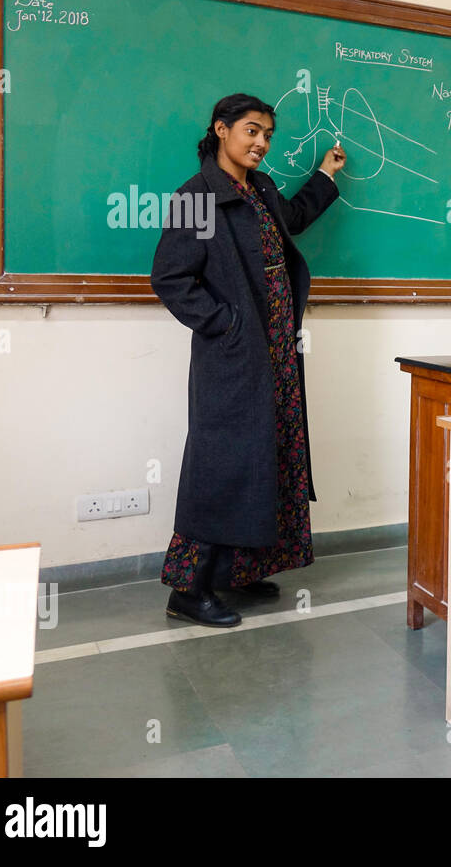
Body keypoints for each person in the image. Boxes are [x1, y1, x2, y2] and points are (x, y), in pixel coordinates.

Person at [151, 93, 346, 628]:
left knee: (268, 457)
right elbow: (170, 277)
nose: (260, 143)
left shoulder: (257, 189)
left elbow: (296, 218)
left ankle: (237, 570)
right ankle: (187, 589)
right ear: (221, 129)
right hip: (234, 358)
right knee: (220, 466)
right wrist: (227, 325)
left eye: (267, 135)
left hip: (277, 356)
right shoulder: (197, 196)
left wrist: (325, 175)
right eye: (251, 131)